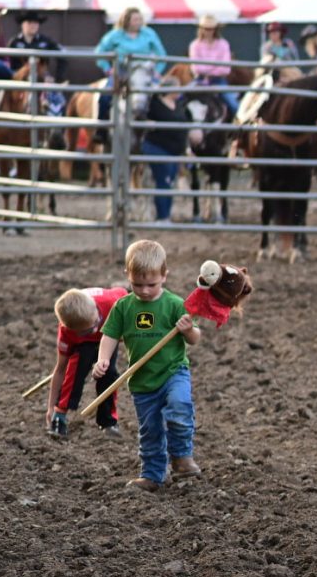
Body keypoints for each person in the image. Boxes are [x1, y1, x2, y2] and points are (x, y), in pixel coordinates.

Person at [92, 239, 202, 491]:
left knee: (179, 407)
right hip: (142, 381)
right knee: (150, 430)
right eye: (137, 284)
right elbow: (109, 335)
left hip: (173, 372)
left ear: (164, 276)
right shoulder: (123, 306)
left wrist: (188, 331)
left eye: (151, 284)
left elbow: (195, 338)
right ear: (127, 276)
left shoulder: (174, 304)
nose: (144, 290)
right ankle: (152, 475)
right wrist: (103, 360)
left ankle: (182, 458)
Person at [45, 285, 127, 439]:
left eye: (96, 323)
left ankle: (108, 422)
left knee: (108, 374)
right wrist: (51, 407)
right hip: (83, 344)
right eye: (89, 330)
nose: (95, 330)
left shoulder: (113, 303)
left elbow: (126, 292)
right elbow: (60, 369)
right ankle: (59, 416)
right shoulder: (66, 332)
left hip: (109, 335)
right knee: (74, 369)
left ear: (96, 310)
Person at [94, 7, 167, 122]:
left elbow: (162, 55)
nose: (138, 22)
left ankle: (159, 130)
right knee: (106, 96)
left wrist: (157, 72)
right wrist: (108, 69)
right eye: (135, 20)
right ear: (126, 20)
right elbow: (99, 52)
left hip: (145, 71)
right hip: (123, 71)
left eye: (139, 19)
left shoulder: (148, 33)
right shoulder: (115, 35)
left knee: (162, 96)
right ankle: (102, 128)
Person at [136, 79, 191, 223]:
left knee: (169, 182)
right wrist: (147, 122)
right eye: (176, 87)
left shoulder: (179, 105)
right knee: (163, 181)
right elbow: (140, 116)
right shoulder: (154, 104)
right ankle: (163, 216)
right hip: (157, 147)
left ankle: (165, 215)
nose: (179, 90)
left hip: (174, 150)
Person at [188, 14, 239, 111]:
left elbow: (226, 69)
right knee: (180, 97)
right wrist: (215, 66)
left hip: (218, 80)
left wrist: (206, 68)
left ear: (215, 29)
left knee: (234, 105)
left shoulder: (223, 44)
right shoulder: (195, 45)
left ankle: (238, 122)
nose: (208, 32)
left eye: (211, 29)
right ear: (201, 29)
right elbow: (196, 68)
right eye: (206, 29)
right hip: (200, 80)